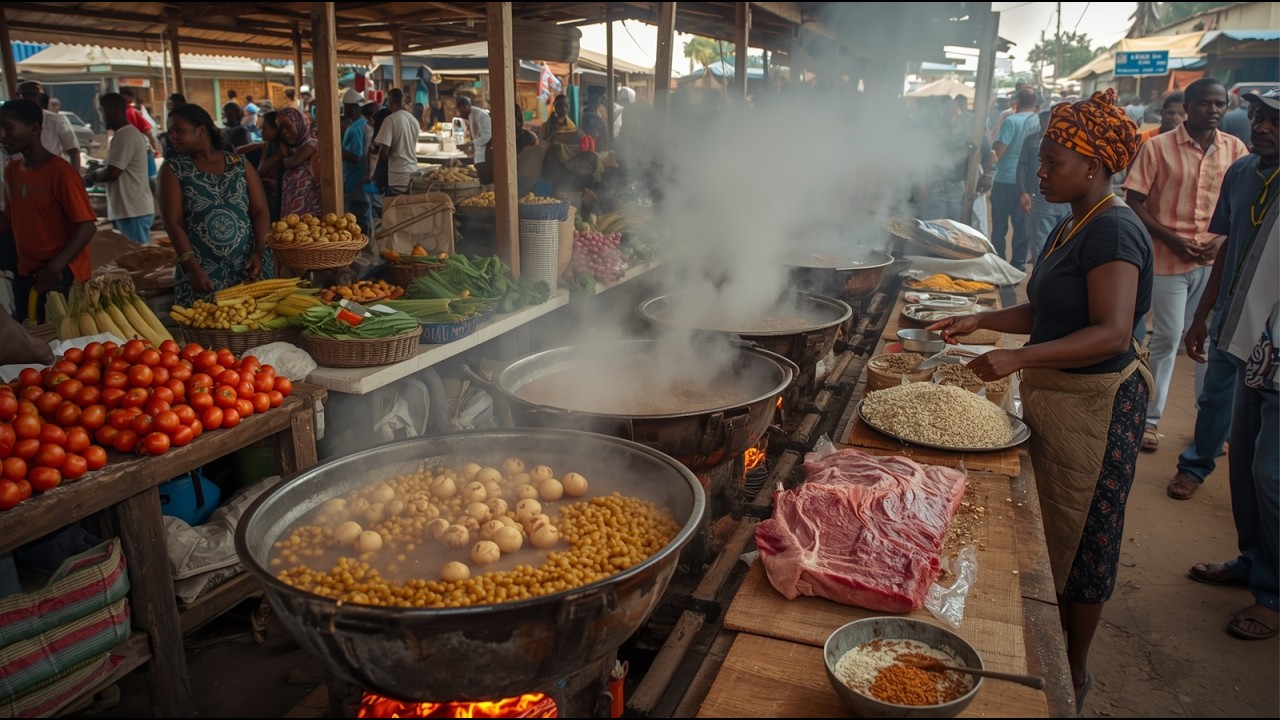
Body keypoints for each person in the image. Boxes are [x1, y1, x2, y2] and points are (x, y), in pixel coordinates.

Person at [932, 90, 1151, 712]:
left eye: (1054, 161)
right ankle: (1052, 633)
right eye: (1040, 160)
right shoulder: (1074, 218)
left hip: (1100, 404)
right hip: (1063, 393)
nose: (1041, 172)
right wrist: (984, 320)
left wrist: (1016, 356)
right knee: (1056, 518)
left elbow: (1111, 331)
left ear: (1095, 165)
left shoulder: (1112, 227)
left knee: (1089, 532)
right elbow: (1052, 310)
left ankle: (1073, 671)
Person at [1186, 87, 1280, 640]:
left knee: (1271, 474)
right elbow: (1230, 246)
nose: (1263, 127)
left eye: (1275, 121)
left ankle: (1272, 592)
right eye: (1262, 117)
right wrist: (1204, 315)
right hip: (1242, 337)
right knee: (1245, 465)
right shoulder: (1244, 172)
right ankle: (1252, 562)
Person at [1124, 77, 1249, 452]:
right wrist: (1174, 239)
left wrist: (1219, 241)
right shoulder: (1158, 148)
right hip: (1166, 259)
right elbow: (1134, 201)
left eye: (1219, 105)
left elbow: (1241, 206)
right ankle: (1149, 420)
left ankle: (1207, 425)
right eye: (1204, 104)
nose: (1212, 111)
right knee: (1166, 336)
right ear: (1188, 107)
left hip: (1215, 262)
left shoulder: (1235, 149)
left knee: (1208, 340)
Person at [158, 103, 272, 307]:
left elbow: (260, 211)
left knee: (255, 329)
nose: (172, 136)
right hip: (204, 272)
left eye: (179, 130)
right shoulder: (174, 170)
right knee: (208, 331)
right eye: (170, 132)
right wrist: (193, 269)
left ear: (201, 130)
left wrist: (259, 252)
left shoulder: (239, 164)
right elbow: (173, 223)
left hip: (248, 267)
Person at [0, 100, 95, 323]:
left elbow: (87, 226)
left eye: (8, 127)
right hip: (27, 271)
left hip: (60, 274)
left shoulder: (60, 173)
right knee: (30, 332)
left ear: (33, 129)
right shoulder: (12, 170)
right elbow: (9, 219)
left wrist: (54, 268)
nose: (2, 134)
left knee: (60, 342)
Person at [91, 93, 154, 244]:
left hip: (132, 211)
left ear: (113, 110)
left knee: (137, 261)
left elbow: (112, 172)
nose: (101, 117)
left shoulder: (126, 135)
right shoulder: (123, 135)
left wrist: (92, 175)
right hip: (129, 210)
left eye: (101, 111)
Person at [990, 88, 1040, 270]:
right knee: (1022, 227)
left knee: (1000, 226)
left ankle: (998, 263)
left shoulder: (1010, 121)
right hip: (1027, 185)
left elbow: (997, 152)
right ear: (1035, 103)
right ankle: (1018, 266)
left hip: (1004, 180)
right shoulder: (1039, 122)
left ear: (1017, 101)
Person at [1017, 106, 1070, 265]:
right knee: (1040, 245)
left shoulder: (1071, 141)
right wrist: (1023, 192)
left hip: (1066, 203)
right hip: (1042, 199)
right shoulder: (1033, 140)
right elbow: (1022, 166)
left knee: (1064, 246)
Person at [15, 81, 79, 170]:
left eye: (33, 95)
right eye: (24, 95)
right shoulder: (11, 121)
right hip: (21, 175)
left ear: (40, 98)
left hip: (53, 174)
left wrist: (75, 179)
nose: (29, 98)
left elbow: (73, 151)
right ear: (17, 96)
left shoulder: (55, 120)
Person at [340, 89, 375, 239]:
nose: (344, 110)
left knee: (358, 219)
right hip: (359, 179)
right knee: (363, 216)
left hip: (356, 179)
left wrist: (336, 150)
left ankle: (363, 250)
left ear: (353, 107)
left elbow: (355, 156)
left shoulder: (354, 129)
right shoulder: (362, 124)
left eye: (346, 106)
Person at [372, 88, 420, 196]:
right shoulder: (414, 120)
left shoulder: (390, 120)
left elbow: (384, 152)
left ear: (390, 101)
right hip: (413, 173)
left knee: (394, 211)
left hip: (397, 177)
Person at [275, 107, 322, 218]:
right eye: (280, 129)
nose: (284, 132)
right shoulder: (295, 148)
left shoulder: (312, 143)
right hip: (293, 220)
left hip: (309, 219)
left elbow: (292, 162)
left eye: (288, 126)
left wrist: (284, 157)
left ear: (299, 123)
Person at [455, 94, 492, 184]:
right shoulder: (471, 115)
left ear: (465, 106)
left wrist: (472, 143)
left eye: (461, 111)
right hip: (477, 154)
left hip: (485, 154)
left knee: (484, 180)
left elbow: (487, 136)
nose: (460, 114)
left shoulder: (481, 115)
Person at [255, 111, 284, 222]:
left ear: (276, 129)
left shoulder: (280, 146)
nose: (260, 131)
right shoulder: (270, 144)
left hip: (277, 195)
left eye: (264, 128)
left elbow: (261, 171)